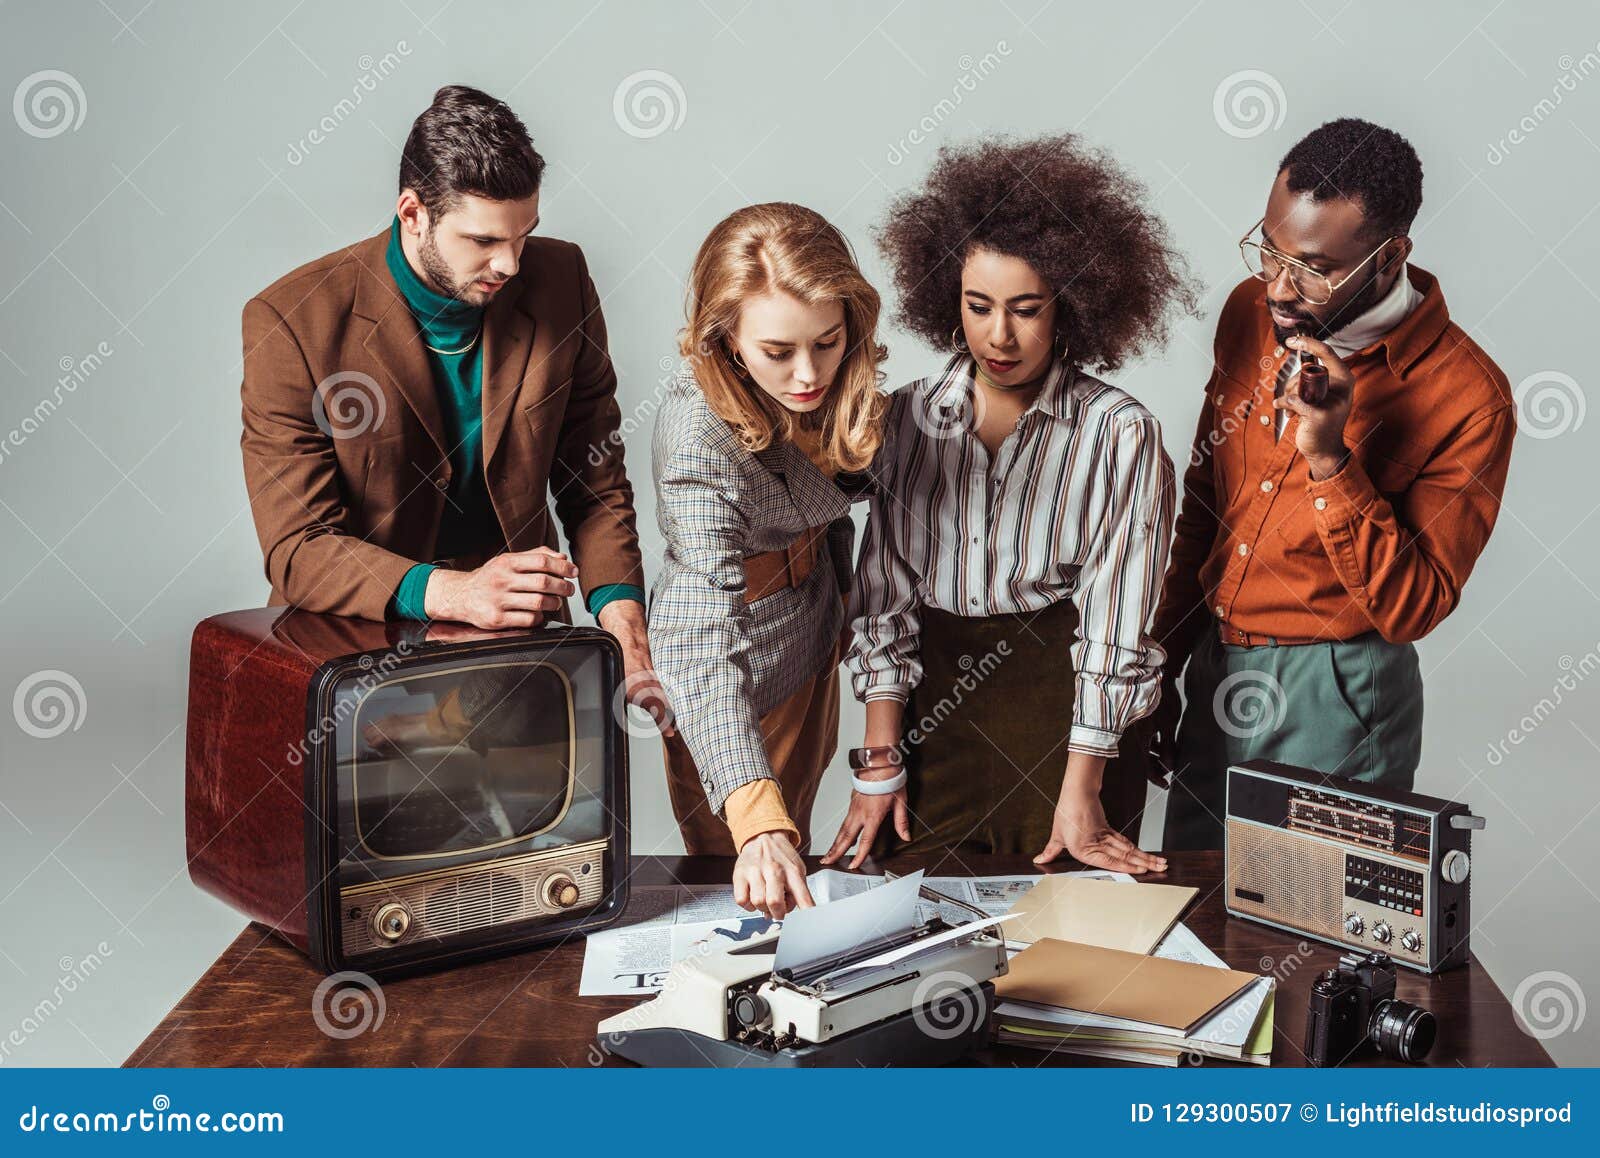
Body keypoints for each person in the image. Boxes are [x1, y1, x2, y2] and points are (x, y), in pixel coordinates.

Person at [1142, 118, 1517, 849]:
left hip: (1339, 690)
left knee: (1309, 942)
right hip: (1216, 663)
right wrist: (1162, 659)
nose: (1278, 287)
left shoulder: (1470, 396)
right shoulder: (1251, 314)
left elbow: (1414, 606)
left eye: (1313, 267)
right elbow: (1205, 502)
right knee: (1193, 920)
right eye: (1270, 251)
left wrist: (1328, 460)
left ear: (1390, 256)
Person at [239, 85, 664, 724]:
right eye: (483, 240)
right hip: (358, 661)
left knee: (539, 826)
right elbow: (298, 546)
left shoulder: (563, 280)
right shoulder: (291, 322)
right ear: (413, 213)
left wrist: (626, 631)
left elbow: (592, 481)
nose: (511, 263)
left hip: (519, 650)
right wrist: (457, 593)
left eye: (525, 236)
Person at [831, 135, 1196, 873]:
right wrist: (879, 765)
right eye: (978, 305)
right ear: (945, 297)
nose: (999, 336)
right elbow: (884, 604)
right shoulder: (902, 420)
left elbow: (1117, 623)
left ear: (1074, 306)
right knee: (916, 946)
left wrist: (1084, 785)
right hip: (935, 724)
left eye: (1027, 309)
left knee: (1073, 949)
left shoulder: (1120, 434)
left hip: (1074, 725)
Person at [649, 203, 888, 919]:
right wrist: (754, 819)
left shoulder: (842, 372)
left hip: (816, 626)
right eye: (778, 352)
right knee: (747, 878)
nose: (809, 373)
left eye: (827, 341)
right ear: (724, 339)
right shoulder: (694, 435)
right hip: (732, 666)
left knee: (802, 848)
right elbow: (696, 637)